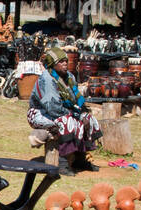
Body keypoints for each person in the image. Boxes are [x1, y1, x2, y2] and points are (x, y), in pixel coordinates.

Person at [28, 46, 101, 175]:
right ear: (52, 64)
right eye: (60, 62)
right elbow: (52, 107)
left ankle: (80, 158)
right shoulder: (47, 79)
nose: (65, 64)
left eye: (66, 61)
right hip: (40, 113)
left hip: (63, 110)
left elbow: (76, 100)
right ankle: (62, 163)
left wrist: (82, 114)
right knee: (68, 121)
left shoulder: (70, 77)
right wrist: (75, 115)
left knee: (89, 119)